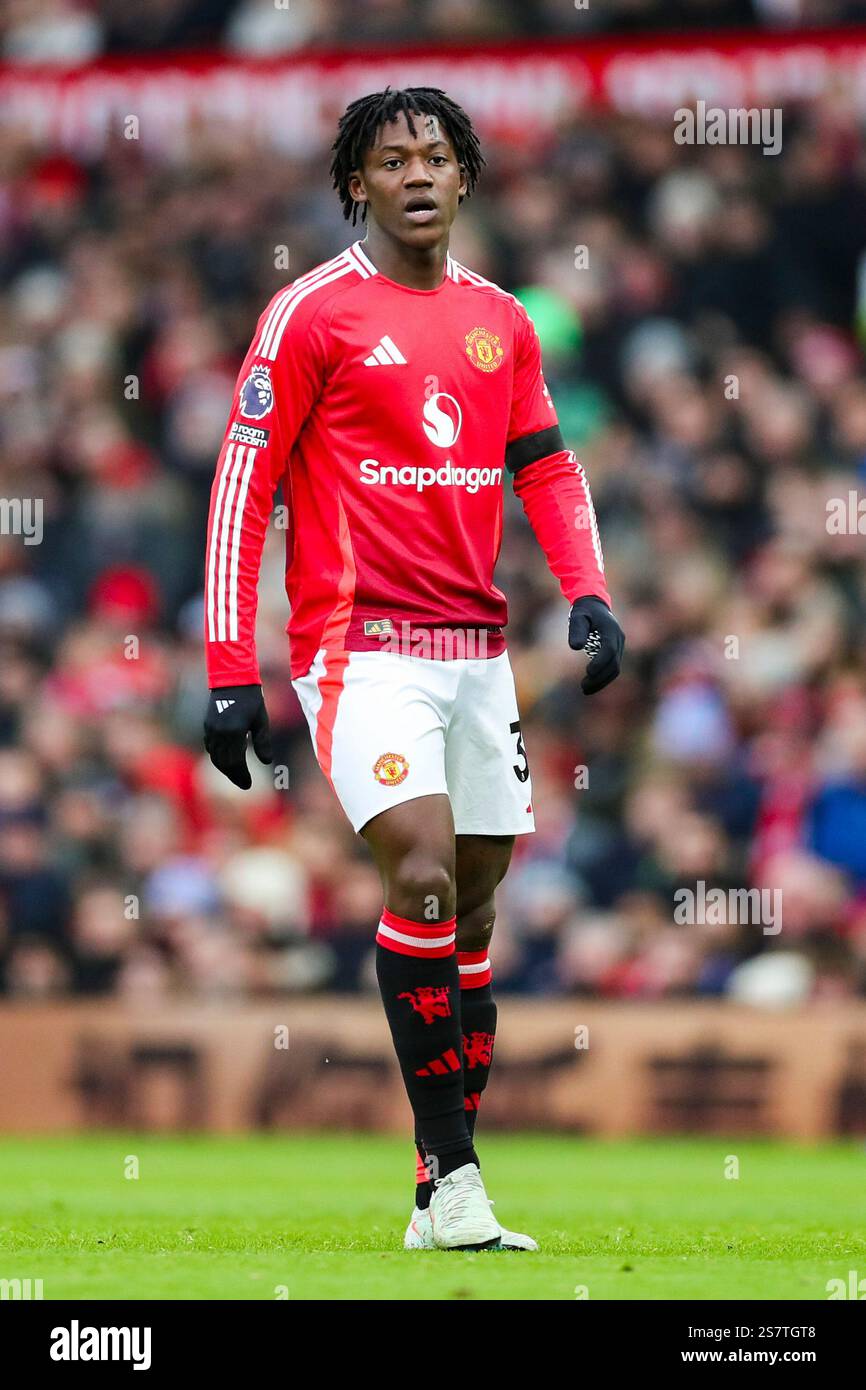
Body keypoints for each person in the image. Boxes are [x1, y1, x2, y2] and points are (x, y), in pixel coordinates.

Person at [203, 87, 624, 1251]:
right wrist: (229, 664)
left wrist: (586, 590)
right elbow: (240, 488)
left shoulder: (502, 321)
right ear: (358, 185)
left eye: (436, 155)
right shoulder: (308, 316)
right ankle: (454, 1172)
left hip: (476, 649)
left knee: (475, 905)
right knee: (425, 873)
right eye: (393, 160)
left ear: (465, 176)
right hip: (358, 646)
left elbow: (543, 465)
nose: (419, 174)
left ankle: (434, 1194)